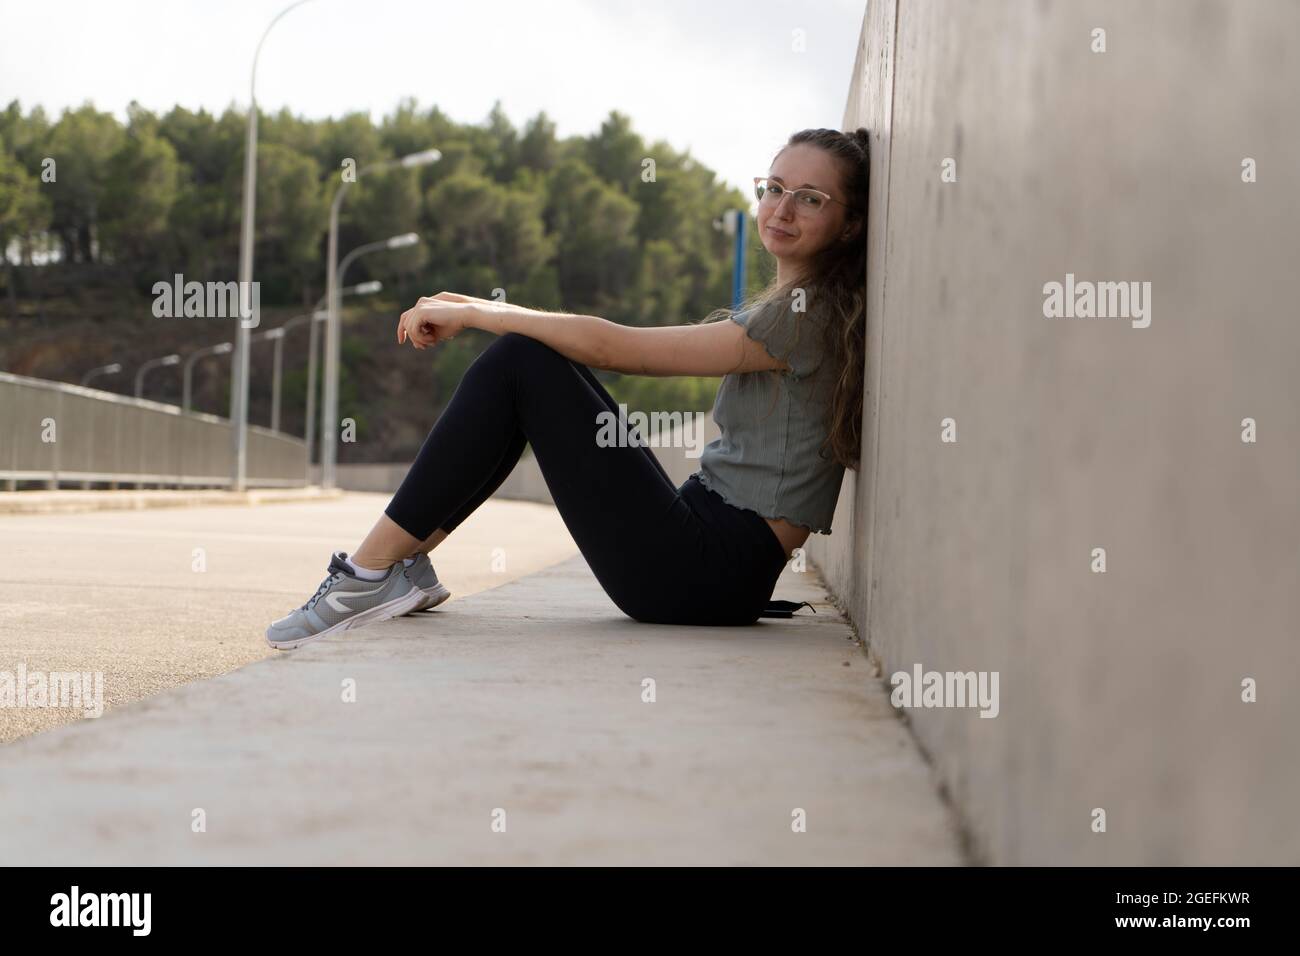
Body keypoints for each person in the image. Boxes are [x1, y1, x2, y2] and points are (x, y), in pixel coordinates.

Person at [266, 127, 869, 649]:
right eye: (774, 188)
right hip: (712, 558)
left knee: (520, 362)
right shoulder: (803, 308)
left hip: (705, 573)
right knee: (527, 367)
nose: (783, 209)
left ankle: (368, 576)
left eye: (811, 199)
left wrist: (477, 310)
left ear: (849, 226)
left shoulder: (801, 316)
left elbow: (617, 348)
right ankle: (395, 569)